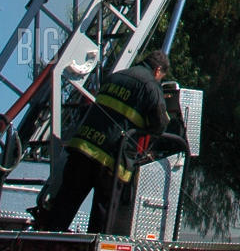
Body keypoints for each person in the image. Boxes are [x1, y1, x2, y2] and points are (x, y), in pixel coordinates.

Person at [32, 49, 172, 236]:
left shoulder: (115, 77)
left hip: (83, 149)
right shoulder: (151, 86)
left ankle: (49, 244)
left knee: (65, 204)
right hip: (111, 158)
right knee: (102, 217)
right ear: (158, 70)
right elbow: (159, 125)